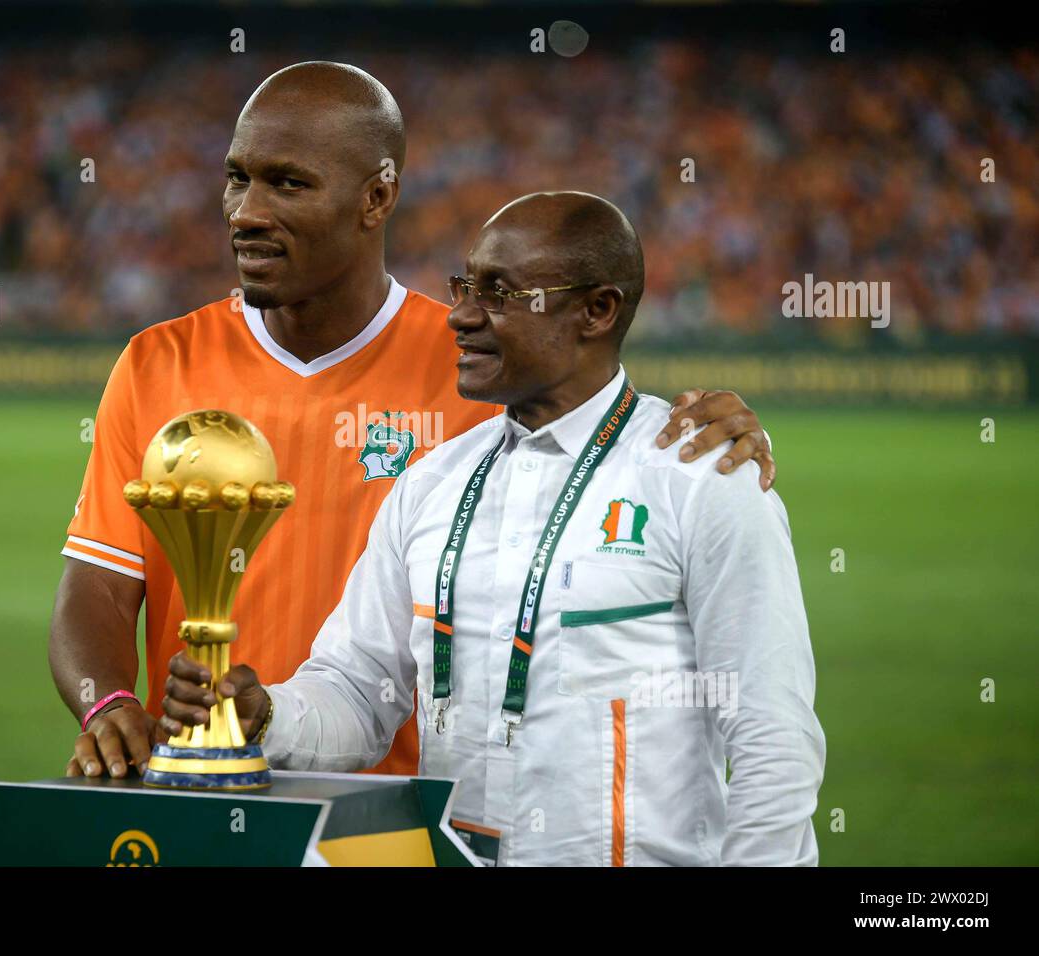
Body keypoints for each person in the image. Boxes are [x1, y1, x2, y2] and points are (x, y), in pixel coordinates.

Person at [57, 62, 777, 781]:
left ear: (377, 198)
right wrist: (108, 703)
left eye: (288, 183)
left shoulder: (478, 367)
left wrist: (711, 431)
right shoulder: (159, 363)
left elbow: (607, 446)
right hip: (200, 788)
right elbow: (98, 583)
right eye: (237, 176)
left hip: (408, 819)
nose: (246, 210)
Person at [162, 191, 825, 866]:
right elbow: (359, 692)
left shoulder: (698, 477)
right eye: (464, 286)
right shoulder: (430, 485)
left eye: (499, 294)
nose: (461, 315)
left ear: (596, 310)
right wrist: (264, 714)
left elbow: (771, 733)